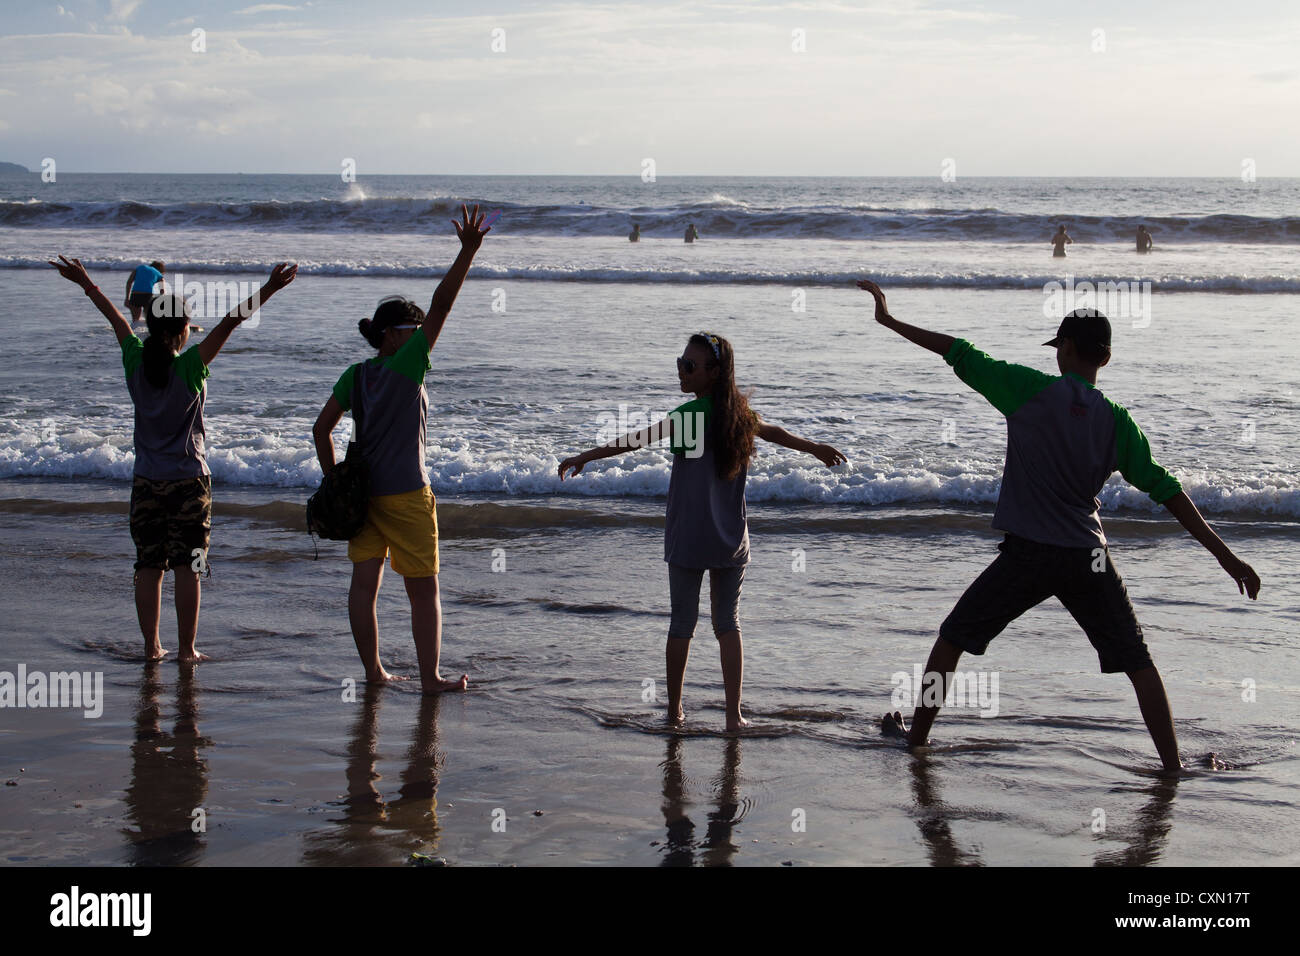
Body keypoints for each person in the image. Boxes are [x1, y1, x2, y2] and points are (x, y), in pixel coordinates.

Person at [858, 280, 1260, 772]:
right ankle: (1172, 765)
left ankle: (916, 741)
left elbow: (957, 351)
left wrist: (890, 320)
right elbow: (1167, 490)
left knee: (952, 640)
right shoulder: (1118, 422)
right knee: (1138, 662)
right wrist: (1226, 556)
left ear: (1065, 348)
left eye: (1059, 346)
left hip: (1028, 554)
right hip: (1087, 556)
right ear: (1105, 359)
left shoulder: (1027, 390)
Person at [557, 332, 846, 732]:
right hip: (729, 536)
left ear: (714, 372)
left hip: (689, 536)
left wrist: (585, 456)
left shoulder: (688, 418)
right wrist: (814, 447)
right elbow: (775, 432)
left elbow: (633, 442)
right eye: (681, 362)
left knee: (682, 624)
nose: (681, 371)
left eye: (689, 366)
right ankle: (733, 716)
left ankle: (674, 712)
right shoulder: (739, 417)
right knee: (728, 623)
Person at [50, 255, 297, 662]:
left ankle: (152, 647)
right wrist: (269, 288)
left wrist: (86, 283)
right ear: (184, 330)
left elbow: (117, 320)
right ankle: (187, 650)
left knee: (148, 565)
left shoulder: (135, 359)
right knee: (191, 566)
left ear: (149, 325)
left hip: (146, 481)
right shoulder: (192, 367)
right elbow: (232, 322)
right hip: (190, 483)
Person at [311, 204, 489, 695]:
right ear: (392, 337)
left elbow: (320, 429)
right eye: (411, 332)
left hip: (364, 495)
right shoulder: (408, 363)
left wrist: (333, 479)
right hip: (408, 495)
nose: (420, 337)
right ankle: (430, 678)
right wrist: (467, 252)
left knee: (363, 589)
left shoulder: (356, 374)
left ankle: (373, 673)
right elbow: (443, 304)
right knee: (423, 591)